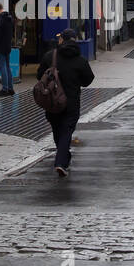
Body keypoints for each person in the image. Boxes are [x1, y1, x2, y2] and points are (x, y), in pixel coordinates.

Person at [38, 29, 96, 177]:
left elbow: (39, 75)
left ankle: (64, 158)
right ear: (75, 40)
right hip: (71, 103)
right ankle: (61, 162)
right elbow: (88, 80)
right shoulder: (80, 60)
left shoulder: (50, 56)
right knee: (66, 131)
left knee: (57, 130)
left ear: (61, 40)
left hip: (53, 102)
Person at [0, 1, 15, 96]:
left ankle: (5, 89)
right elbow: (9, 33)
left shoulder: (0, 20)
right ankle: (10, 88)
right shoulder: (10, 18)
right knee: (7, 67)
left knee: (3, 67)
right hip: (7, 46)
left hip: (0, 48)